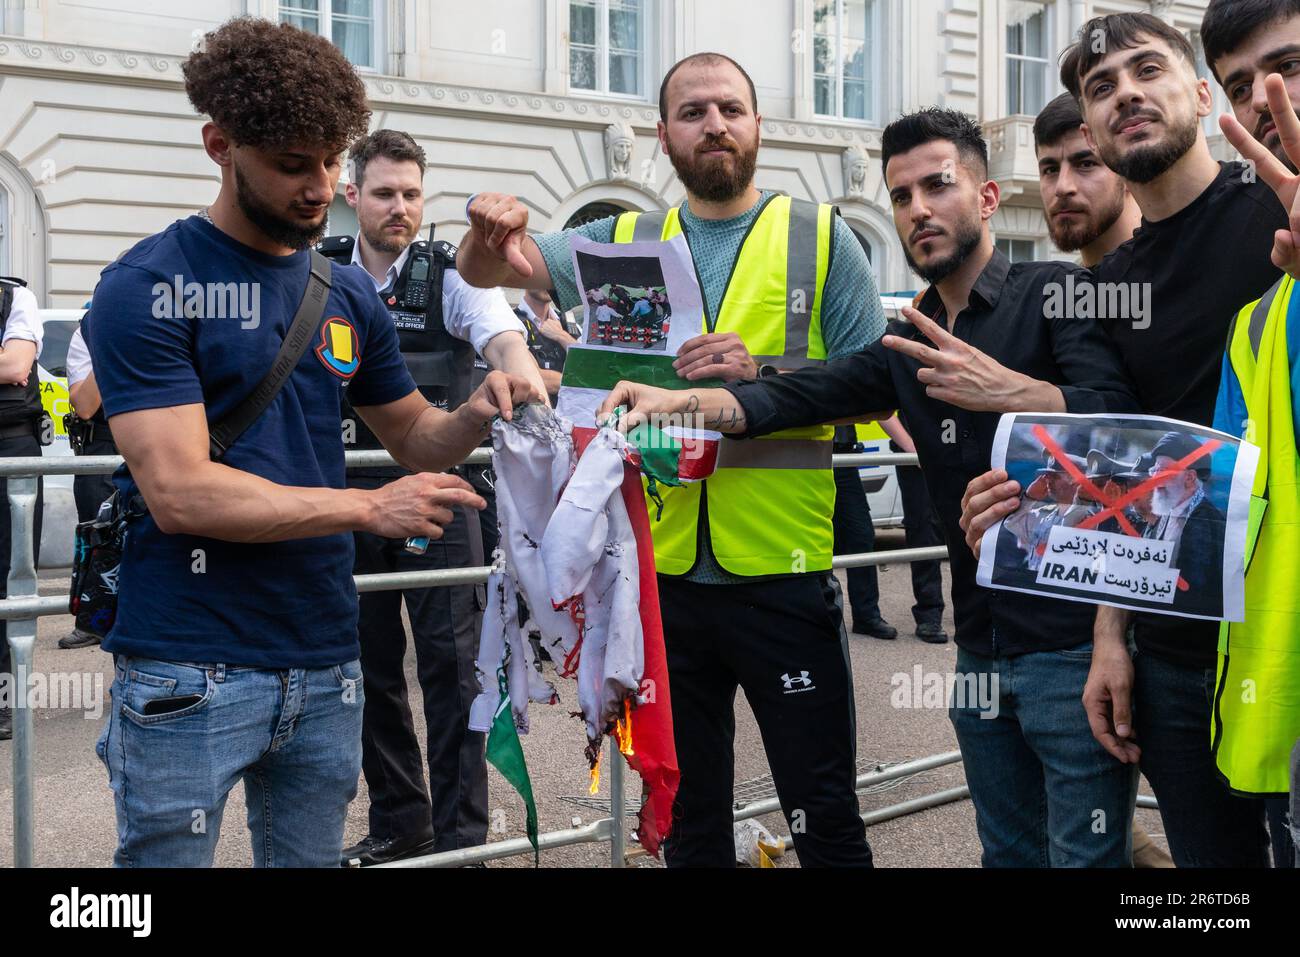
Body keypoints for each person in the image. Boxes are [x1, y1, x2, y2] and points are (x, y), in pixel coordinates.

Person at [596, 107, 1143, 867]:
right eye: (902, 195)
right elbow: (793, 395)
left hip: (1071, 652)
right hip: (978, 651)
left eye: (939, 186)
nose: (919, 209)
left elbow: (1129, 434)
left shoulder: (1056, 292)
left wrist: (1014, 391)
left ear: (987, 199)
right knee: (1008, 855)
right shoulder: (906, 338)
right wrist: (675, 402)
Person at [83, 17, 535, 868]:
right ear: (219, 144)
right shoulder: (148, 284)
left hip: (324, 665)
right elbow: (180, 492)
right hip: (189, 664)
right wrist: (369, 505)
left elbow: (416, 439)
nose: (321, 186)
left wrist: (477, 409)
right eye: (294, 163)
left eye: (332, 161)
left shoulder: (344, 290)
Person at [457, 52, 883, 867]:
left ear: (759, 125)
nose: (714, 124)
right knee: (688, 822)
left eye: (730, 108)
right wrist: (486, 231)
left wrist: (758, 376)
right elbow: (487, 269)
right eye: (693, 112)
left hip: (783, 575)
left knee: (823, 813)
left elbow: (877, 391)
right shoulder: (620, 239)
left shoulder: (824, 237)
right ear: (663, 135)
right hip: (660, 580)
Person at [961, 11, 1289, 866]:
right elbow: (1119, 465)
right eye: (1100, 88)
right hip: (1176, 650)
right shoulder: (1097, 291)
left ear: (1201, 89)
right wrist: (1105, 628)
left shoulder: (1278, 210)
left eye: (1147, 70)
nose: (1126, 95)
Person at [317, 128, 545, 867]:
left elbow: (502, 334)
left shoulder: (452, 274)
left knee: (455, 672)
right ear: (353, 196)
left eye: (412, 193)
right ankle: (401, 820)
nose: (401, 207)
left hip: (444, 501)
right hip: (346, 503)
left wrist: (519, 375)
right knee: (367, 670)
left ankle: (459, 838)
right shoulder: (317, 273)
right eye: (384, 192)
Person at [1202, 0, 1300, 833]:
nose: (1270, 101)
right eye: (1243, 86)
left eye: (1291, 65)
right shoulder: (1256, 321)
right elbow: (1231, 511)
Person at [0, 273, 43, 742]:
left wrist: (9, 361)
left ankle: (5, 700)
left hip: (9, 448)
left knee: (11, 576)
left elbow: (14, 366)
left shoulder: (14, 296)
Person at [60, 323, 118, 649]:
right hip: (102, 446)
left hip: (150, 441)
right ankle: (89, 621)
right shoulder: (89, 331)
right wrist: (114, 340)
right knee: (96, 535)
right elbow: (84, 405)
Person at [831, 423, 897, 640]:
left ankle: (866, 616)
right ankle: (817, 615)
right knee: (811, 540)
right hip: (806, 456)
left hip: (843, 458)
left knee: (861, 535)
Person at [515, 288, 577, 403]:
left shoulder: (569, 321)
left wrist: (561, 336)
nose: (545, 284)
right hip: (533, 415)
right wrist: (579, 383)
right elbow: (531, 377)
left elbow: (590, 365)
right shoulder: (512, 322)